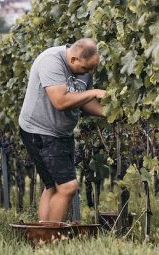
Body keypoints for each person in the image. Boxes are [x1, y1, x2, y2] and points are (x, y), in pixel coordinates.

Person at [18, 38, 105, 222]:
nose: (89, 72)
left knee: (53, 186)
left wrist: (109, 113)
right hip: (39, 131)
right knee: (67, 187)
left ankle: (43, 239)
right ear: (74, 60)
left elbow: (84, 102)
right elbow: (60, 101)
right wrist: (94, 92)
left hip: (62, 133)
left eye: (92, 69)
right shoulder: (51, 61)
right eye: (86, 69)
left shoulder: (84, 66)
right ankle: (52, 238)